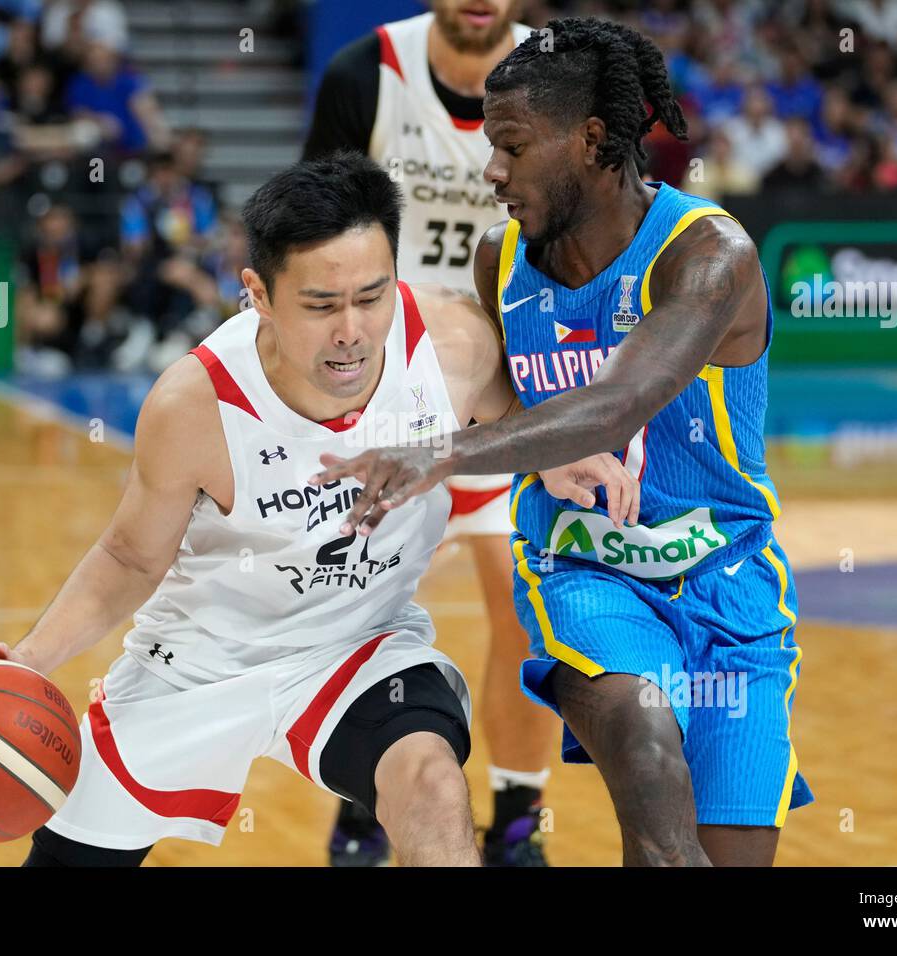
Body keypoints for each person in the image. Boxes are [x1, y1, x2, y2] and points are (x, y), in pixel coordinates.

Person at [0, 152, 638, 867]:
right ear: (257, 293)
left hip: (360, 649)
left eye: (371, 296)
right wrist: (30, 661)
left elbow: (511, 419)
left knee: (433, 788)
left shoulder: (451, 343)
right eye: (320, 305)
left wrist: (553, 449)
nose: (351, 329)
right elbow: (131, 557)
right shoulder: (195, 402)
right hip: (197, 664)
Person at [312, 18, 814, 867]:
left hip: (730, 588)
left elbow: (616, 405)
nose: (492, 170)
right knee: (644, 737)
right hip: (584, 571)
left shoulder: (708, 254)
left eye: (510, 146)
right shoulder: (495, 262)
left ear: (590, 141)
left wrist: (435, 456)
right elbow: (487, 384)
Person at [303, 0, 556, 867]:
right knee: (356, 606)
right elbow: (313, 232)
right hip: (384, 385)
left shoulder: (557, 72)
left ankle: (518, 817)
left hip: (512, 377)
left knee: (525, 607)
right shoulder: (363, 75)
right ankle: (367, 798)